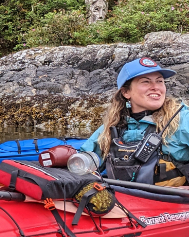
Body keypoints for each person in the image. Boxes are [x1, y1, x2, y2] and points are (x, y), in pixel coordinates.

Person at [81, 57, 189, 185]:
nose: (156, 87)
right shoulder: (114, 125)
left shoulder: (182, 119)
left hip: (172, 201)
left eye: (160, 81)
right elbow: (86, 157)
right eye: (146, 82)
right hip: (126, 200)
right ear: (126, 92)